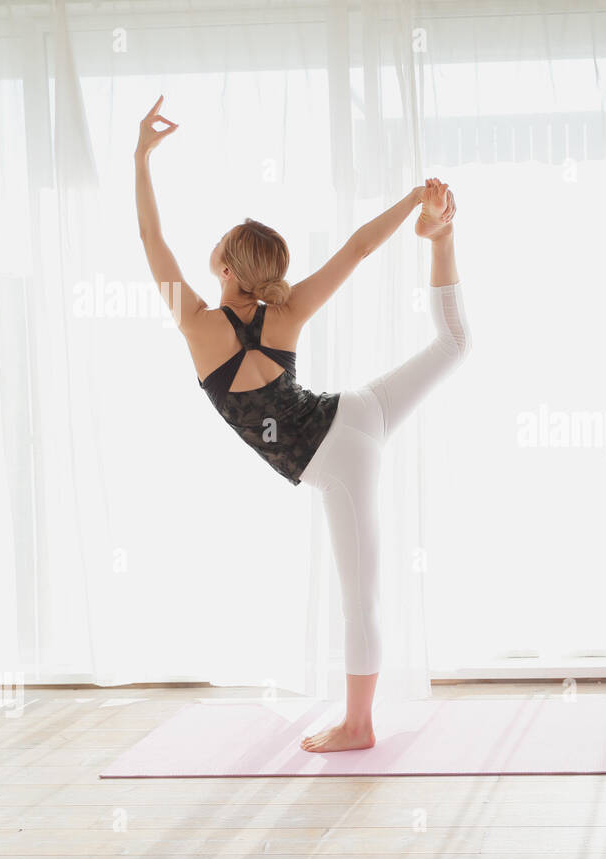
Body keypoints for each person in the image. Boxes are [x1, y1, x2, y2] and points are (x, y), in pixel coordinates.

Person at [134, 96, 470, 752]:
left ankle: (359, 725)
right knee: (454, 344)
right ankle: (445, 242)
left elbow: (151, 240)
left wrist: (141, 157)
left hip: (338, 456)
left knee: (359, 597)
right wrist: (416, 205)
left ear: (226, 268)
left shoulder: (197, 324)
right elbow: (359, 249)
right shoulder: (287, 312)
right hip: (358, 413)